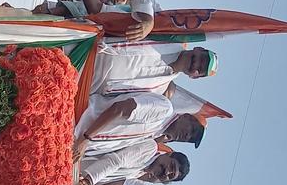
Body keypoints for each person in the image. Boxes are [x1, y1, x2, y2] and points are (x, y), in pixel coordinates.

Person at [73, 91, 205, 160]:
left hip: (76, 140)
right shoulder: (165, 110)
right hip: (78, 119)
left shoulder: (157, 132)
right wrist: (87, 138)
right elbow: (120, 109)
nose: (187, 136)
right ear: (186, 116)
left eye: (189, 140)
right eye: (192, 130)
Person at [90, 44, 218, 97]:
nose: (197, 63)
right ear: (198, 48)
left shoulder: (159, 90)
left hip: (87, 84)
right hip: (90, 50)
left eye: (200, 69)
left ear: (194, 77)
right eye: (203, 58)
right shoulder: (168, 36)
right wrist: (147, 20)